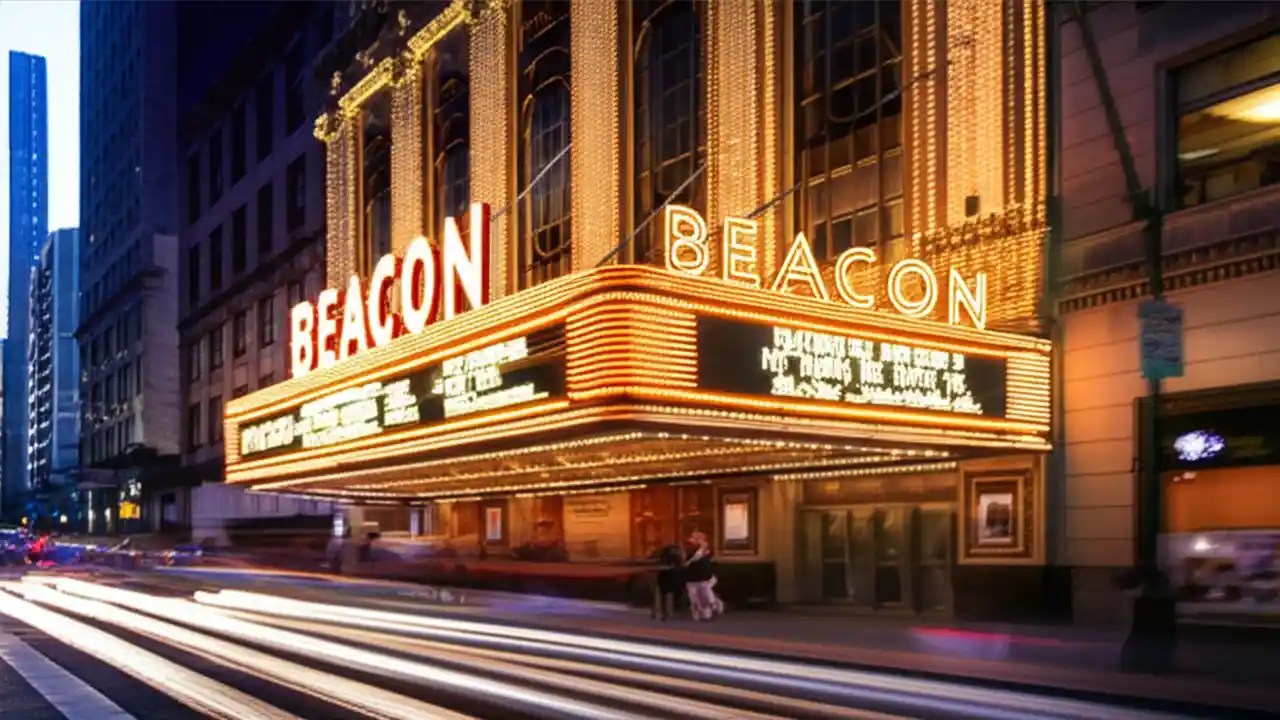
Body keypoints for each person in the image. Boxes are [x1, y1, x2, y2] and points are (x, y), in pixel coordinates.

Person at [683, 531, 724, 621]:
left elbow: (699, 556)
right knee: (694, 597)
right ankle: (701, 613)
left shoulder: (704, 549)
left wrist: (689, 562)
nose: (693, 539)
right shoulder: (688, 548)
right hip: (692, 577)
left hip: (704, 576)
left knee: (704, 596)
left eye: (696, 538)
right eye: (693, 537)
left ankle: (710, 609)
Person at [653, 544, 684, 621]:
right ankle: (666, 613)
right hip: (668, 579)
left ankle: (661, 613)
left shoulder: (664, 557)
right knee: (667, 597)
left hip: (664, 579)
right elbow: (679, 566)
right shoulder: (676, 557)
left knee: (661, 597)